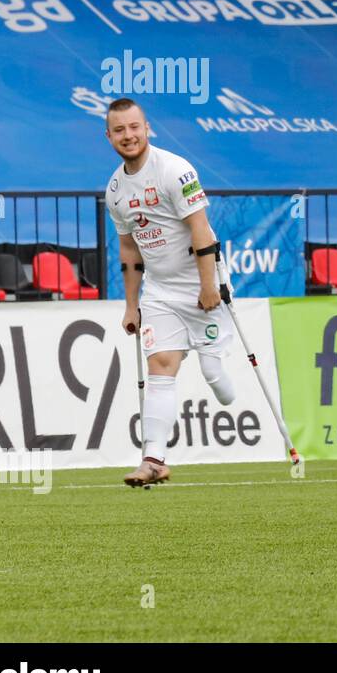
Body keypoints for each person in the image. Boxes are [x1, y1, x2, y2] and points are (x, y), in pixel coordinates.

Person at [104, 98, 235, 486]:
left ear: (147, 128)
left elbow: (200, 228)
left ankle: (222, 375)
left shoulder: (176, 170)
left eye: (134, 127)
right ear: (108, 135)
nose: (128, 136)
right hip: (159, 291)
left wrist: (209, 286)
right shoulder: (114, 190)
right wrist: (132, 305)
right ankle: (154, 460)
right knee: (160, 364)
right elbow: (129, 249)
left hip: (200, 282)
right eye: (119, 130)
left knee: (217, 379)